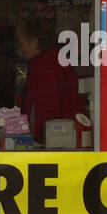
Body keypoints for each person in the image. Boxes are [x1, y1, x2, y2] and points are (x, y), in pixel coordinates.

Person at [16, 14, 82, 146]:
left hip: (54, 140)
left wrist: (35, 139)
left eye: (22, 43)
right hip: (62, 136)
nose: (20, 49)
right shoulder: (51, 60)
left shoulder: (45, 66)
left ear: (34, 42)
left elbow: (46, 107)